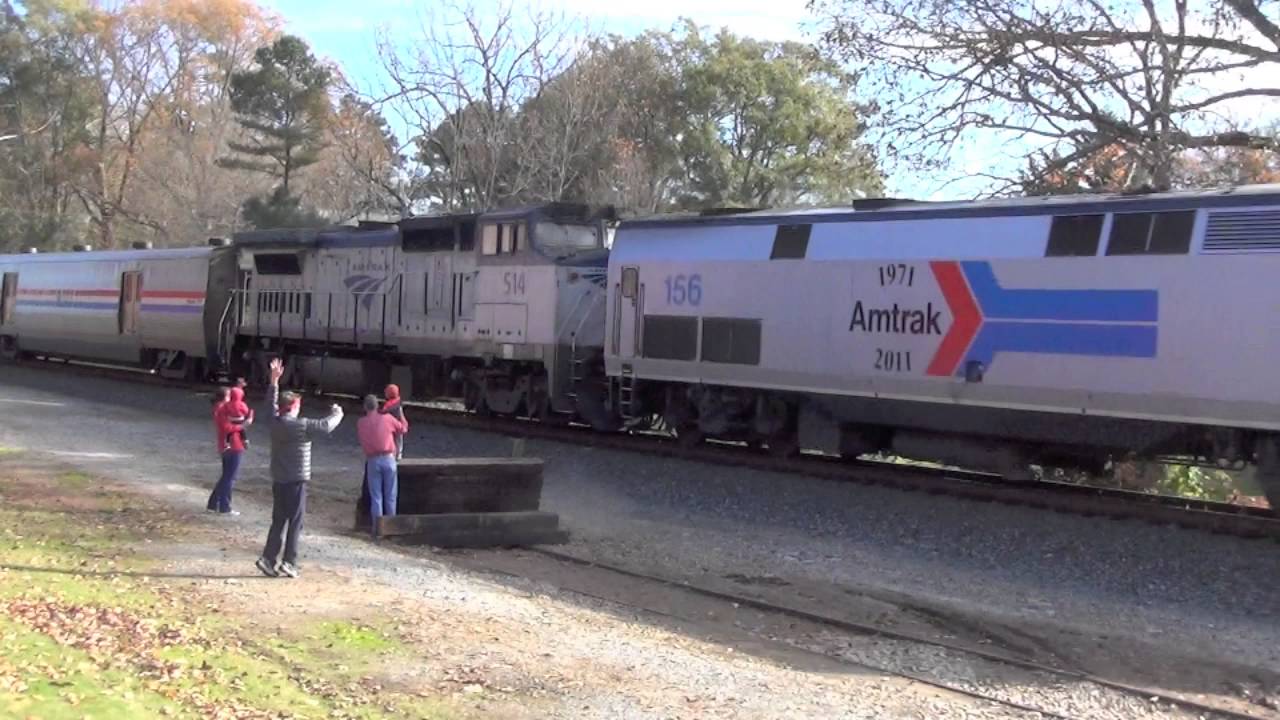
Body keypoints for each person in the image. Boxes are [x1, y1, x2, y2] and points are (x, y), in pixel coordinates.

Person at [256, 357, 343, 579]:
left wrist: (273, 381)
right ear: (293, 407)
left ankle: (268, 558)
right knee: (296, 522)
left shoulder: (274, 423)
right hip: (296, 480)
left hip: (279, 479)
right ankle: (289, 562)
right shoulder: (302, 426)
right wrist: (337, 412)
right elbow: (326, 426)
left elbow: (268, 407)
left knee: (278, 520)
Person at [358, 394, 408, 539]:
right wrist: (400, 413)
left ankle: (377, 530)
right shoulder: (387, 419)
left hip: (373, 460)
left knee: (376, 497)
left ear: (364, 407)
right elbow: (403, 429)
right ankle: (391, 529)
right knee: (391, 496)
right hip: (389, 459)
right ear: (377, 406)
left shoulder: (361, 422)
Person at [208, 386, 253, 515]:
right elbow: (228, 428)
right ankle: (224, 506)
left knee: (226, 476)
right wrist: (243, 425)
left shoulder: (223, 408)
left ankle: (213, 503)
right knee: (230, 477)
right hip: (233, 445)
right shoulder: (224, 409)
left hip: (226, 444)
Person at [379, 384, 408, 461]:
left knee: (392, 439)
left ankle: (392, 453)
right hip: (400, 424)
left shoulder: (388, 405)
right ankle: (399, 454)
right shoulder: (398, 403)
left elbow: (383, 413)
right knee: (399, 439)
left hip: (391, 426)